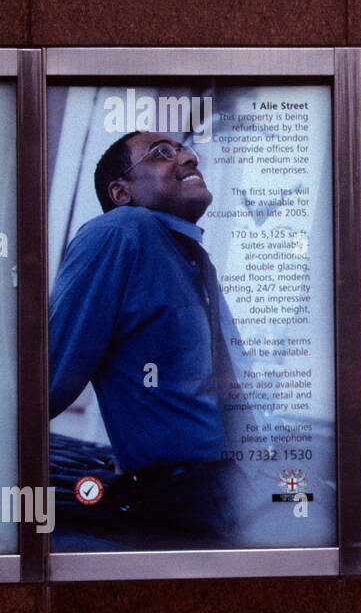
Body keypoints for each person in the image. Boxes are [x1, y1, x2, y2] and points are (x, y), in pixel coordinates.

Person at [49, 130, 250, 549]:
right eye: (162, 153)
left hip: (228, 490)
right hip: (185, 498)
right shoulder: (122, 230)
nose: (188, 157)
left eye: (184, 149)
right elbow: (49, 376)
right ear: (122, 191)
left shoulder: (193, 257)